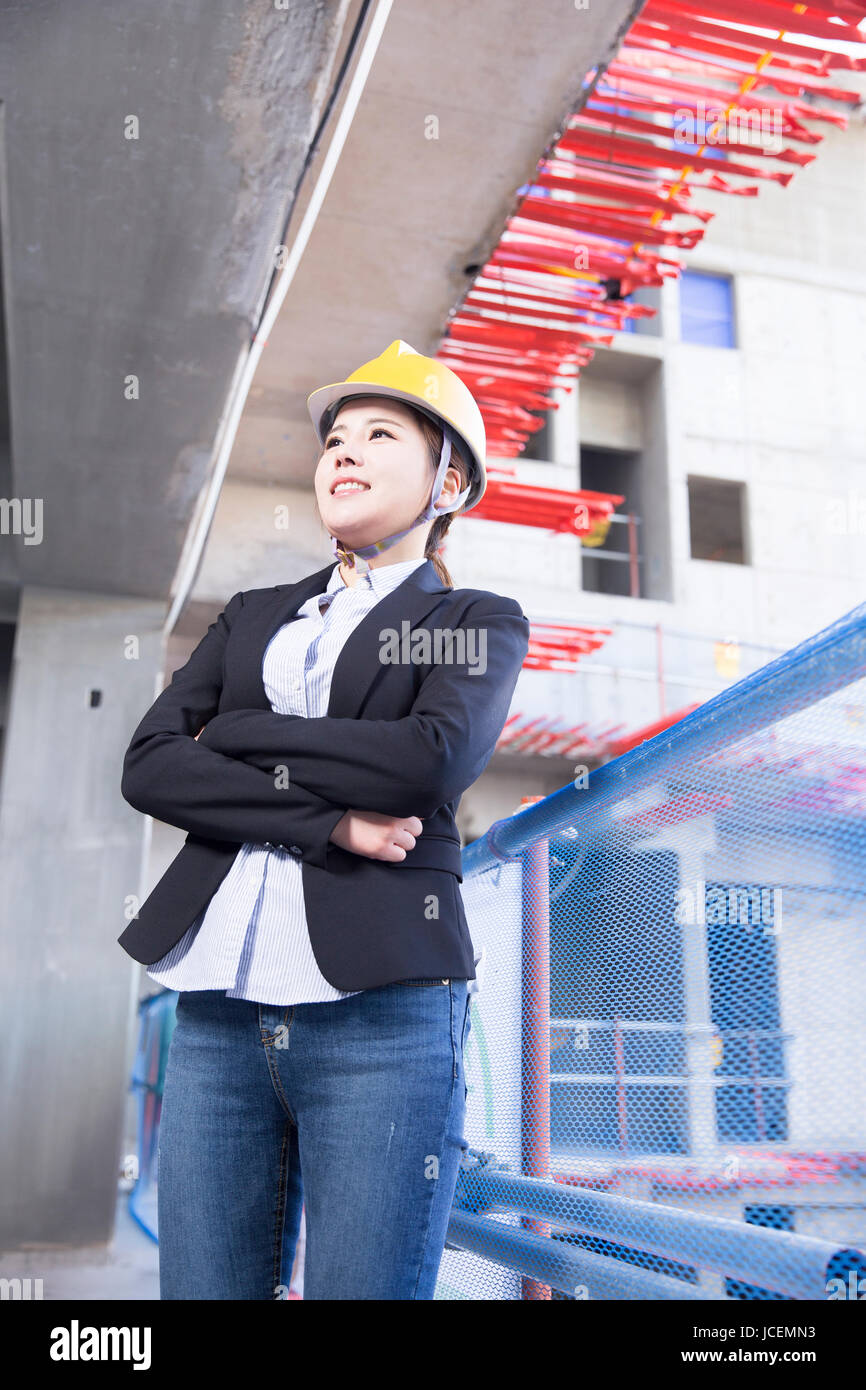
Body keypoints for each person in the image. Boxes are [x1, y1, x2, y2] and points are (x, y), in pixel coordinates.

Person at [119, 339, 530, 1299]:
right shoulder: (253, 614)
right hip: (219, 1009)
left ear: (449, 480)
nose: (342, 452)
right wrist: (328, 824)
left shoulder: (473, 616)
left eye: (380, 434)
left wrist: (243, 731)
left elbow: (427, 761)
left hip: (383, 1012)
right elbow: (149, 765)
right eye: (334, 438)